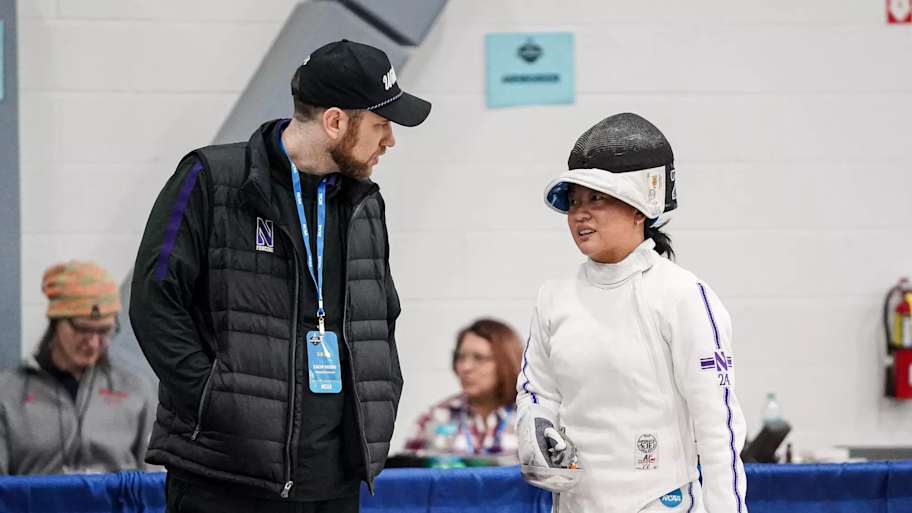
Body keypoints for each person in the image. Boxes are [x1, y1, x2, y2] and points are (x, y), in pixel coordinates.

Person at [130, 39, 430, 513]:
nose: (389, 140)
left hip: (334, 482)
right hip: (225, 479)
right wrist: (215, 402)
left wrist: (379, 403)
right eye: (380, 124)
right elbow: (154, 304)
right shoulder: (212, 178)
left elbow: (381, 319)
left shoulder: (366, 204)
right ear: (335, 122)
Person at [516, 113, 748, 513]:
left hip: (661, 503)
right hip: (575, 505)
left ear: (641, 207)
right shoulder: (553, 298)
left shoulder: (682, 296)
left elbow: (718, 425)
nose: (580, 214)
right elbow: (537, 392)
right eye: (573, 202)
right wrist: (534, 428)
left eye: (597, 199)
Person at [0, 261, 155, 475]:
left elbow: (152, 484)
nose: (92, 343)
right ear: (56, 322)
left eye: (104, 331)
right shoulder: (8, 393)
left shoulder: (135, 391)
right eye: (82, 329)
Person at [404, 319, 522, 464]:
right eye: (460, 357)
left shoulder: (529, 417)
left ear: (506, 362)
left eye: (479, 358)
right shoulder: (435, 417)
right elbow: (407, 477)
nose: (465, 367)